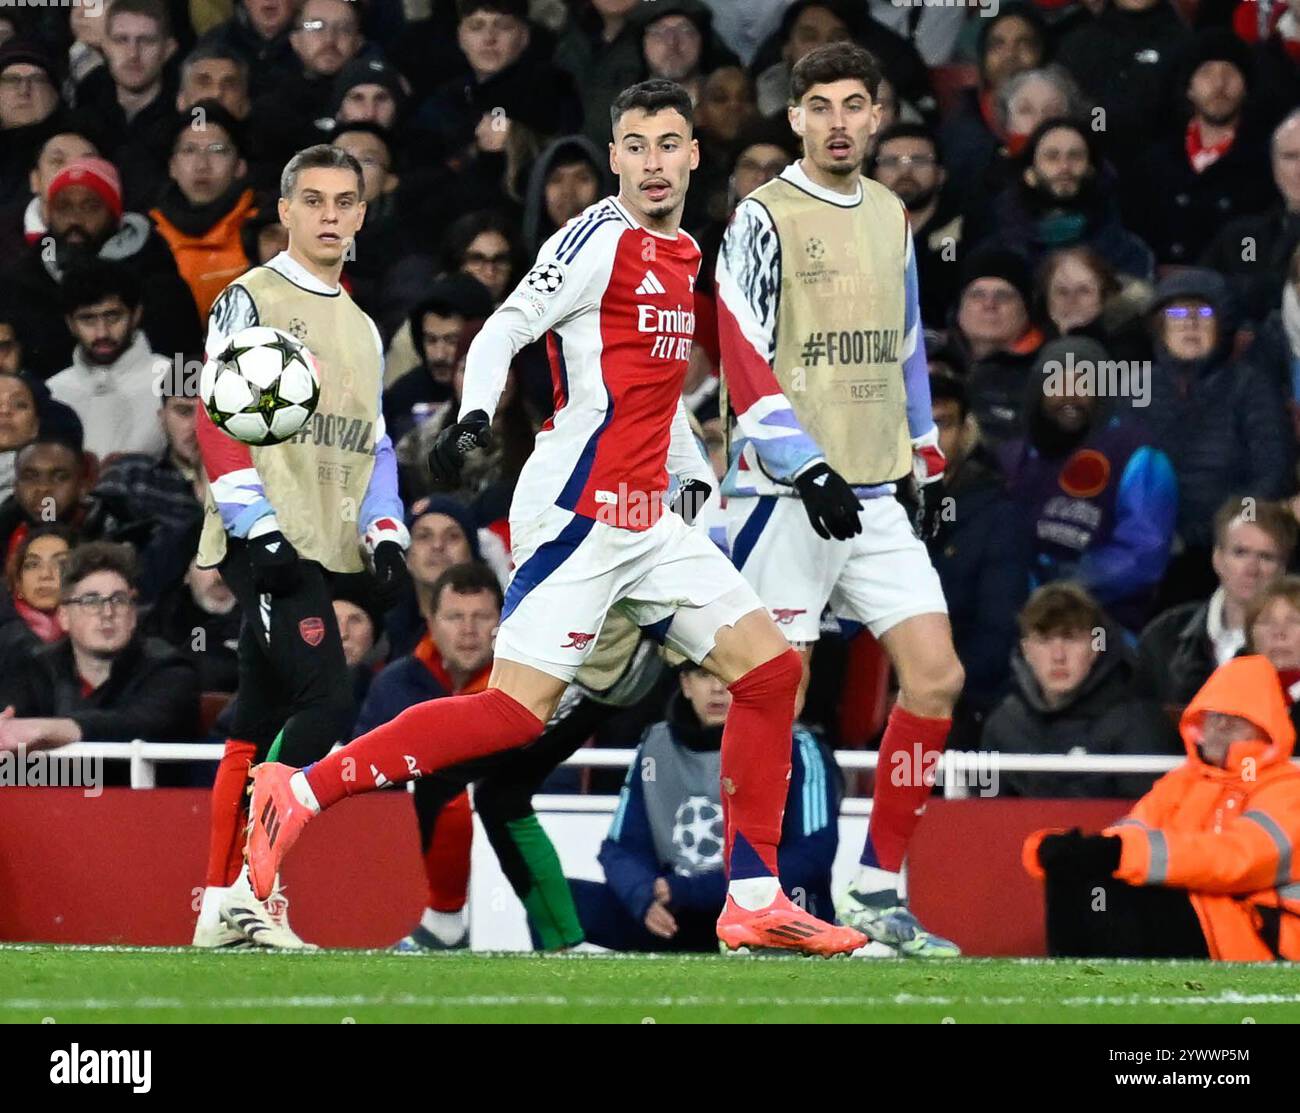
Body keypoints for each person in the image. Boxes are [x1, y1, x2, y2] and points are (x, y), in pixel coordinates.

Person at [242, 78, 867, 958]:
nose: (654, 163)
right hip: (576, 511)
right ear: (615, 158)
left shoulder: (685, 251)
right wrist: (470, 417)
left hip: (650, 521)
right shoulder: (594, 240)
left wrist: (708, 496)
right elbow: (501, 330)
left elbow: (659, 403)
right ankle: (299, 791)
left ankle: (753, 897)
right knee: (511, 716)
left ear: (694, 155)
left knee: (768, 674)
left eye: (669, 145)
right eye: (636, 146)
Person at [714, 43, 961, 957]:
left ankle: (875, 884)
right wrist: (799, 460)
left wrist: (926, 453)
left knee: (936, 676)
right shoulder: (763, 216)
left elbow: (905, 344)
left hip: (873, 486)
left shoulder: (893, 211)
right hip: (784, 492)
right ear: (795, 117)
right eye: (821, 107)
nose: (840, 123)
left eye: (856, 105)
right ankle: (754, 890)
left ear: (878, 113)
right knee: (776, 684)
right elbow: (739, 344)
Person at [190, 144, 409, 951]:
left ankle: (219, 903)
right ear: (282, 210)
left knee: (259, 714)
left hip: (326, 538)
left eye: (342, 201)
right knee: (327, 703)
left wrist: (386, 530)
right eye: (310, 200)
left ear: (360, 213)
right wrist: (260, 528)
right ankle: (253, 890)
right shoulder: (249, 298)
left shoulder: (361, 327)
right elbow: (212, 414)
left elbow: (375, 442)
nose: (327, 215)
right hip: (269, 540)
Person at [1023, 654, 1300, 960]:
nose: (1220, 726)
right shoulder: (1181, 782)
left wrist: (1120, 854)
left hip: (1260, 931)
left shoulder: (1287, 787)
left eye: (1235, 719)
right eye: (1212, 715)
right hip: (1200, 916)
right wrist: (1085, 852)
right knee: (1077, 873)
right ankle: (1069, 985)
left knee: (1127, 892)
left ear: (1266, 729)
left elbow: (1239, 858)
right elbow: (1132, 831)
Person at [569, 661, 840, 952]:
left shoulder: (797, 745)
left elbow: (813, 853)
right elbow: (620, 848)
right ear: (686, 684)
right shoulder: (655, 746)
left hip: (765, 917)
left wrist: (688, 890)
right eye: (703, 675)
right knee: (559, 902)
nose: (717, 688)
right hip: (676, 917)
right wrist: (644, 896)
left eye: (727, 675)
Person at [354, 561, 499, 951]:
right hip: (402, 852)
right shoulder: (395, 684)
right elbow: (366, 780)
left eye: (482, 616)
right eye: (454, 617)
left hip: (496, 848)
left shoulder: (525, 688)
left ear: (502, 623)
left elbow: (554, 780)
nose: (468, 630)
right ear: (431, 623)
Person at [1000, 335, 1177, 633]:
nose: (1071, 395)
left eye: (1084, 383)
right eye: (1057, 383)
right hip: (1016, 618)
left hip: (1104, 623)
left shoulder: (1138, 454)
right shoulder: (1014, 455)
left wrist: (1062, 587)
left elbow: (1144, 555)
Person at [1139, 269, 1293, 598]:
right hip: (1145, 548)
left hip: (1226, 552)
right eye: (1177, 312)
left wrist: (1204, 535)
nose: (1190, 322)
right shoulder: (1133, 388)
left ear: (1222, 326)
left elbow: (1272, 477)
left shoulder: (1250, 386)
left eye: (1204, 312)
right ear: (1159, 326)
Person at [4, 155, 203, 378]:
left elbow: (188, 373)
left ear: (115, 213)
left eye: (90, 206)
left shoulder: (160, 282)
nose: (75, 219)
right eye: (64, 206)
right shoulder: (24, 283)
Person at [983, 582, 1180, 799]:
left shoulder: (1138, 722)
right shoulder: (1004, 724)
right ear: (1026, 650)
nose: (1058, 656)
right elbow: (985, 816)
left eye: (1071, 638)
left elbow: (1149, 818)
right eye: (1044, 640)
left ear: (1095, 647)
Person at [0, 540, 200, 752]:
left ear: (133, 615)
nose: (107, 613)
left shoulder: (171, 668)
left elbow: (144, 724)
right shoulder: (35, 666)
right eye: (90, 601)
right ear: (64, 616)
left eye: (118, 600)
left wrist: (56, 729)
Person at [927, 374, 1029, 748]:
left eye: (941, 423)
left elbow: (997, 632)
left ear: (967, 430)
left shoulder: (998, 513)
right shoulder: (874, 510)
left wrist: (930, 690)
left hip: (963, 703)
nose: (928, 438)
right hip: (875, 699)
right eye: (915, 424)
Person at [1122, 29, 1275, 266]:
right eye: (1206, 73)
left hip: (1233, 291)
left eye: (1230, 73)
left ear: (1246, 88)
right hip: (1164, 290)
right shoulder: (1153, 163)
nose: (1219, 84)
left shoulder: (1264, 163)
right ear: (1189, 89)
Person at [1136, 498, 1297, 706]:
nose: (1252, 569)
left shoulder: (1290, 646)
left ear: (1283, 569)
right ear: (1217, 558)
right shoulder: (1164, 635)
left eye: (1266, 557)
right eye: (1240, 553)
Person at [982, 118, 1154, 281]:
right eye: (1052, 157)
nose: (1064, 167)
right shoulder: (997, 253)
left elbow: (1174, 312)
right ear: (1030, 174)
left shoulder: (1128, 251)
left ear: (1091, 170)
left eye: (1075, 156)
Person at [46, 259, 170, 460]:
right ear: (70, 324)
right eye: (87, 319)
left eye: (112, 316)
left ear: (136, 315)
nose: (102, 332)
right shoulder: (54, 391)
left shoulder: (173, 377)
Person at [149, 102, 258, 318]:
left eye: (217, 151)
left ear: (240, 167)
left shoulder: (264, 229)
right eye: (189, 151)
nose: (202, 165)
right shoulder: (147, 235)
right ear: (172, 166)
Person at [71, 0, 180, 210]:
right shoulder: (82, 113)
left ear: (168, 49)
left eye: (146, 41)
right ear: (105, 46)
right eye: (121, 40)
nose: (133, 54)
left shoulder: (185, 118)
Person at [1201, 109, 1300, 326]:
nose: (1299, 170)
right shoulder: (1242, 235)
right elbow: (1198, 298)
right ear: (1274, 166)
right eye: (1290, 157)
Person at [869, 123, 964, 327]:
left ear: (941, 174)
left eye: (919, 161)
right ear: (874, 174)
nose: (905, 172)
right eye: (891, 162)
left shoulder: (965, 231)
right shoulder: (856, 230)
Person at [953, 246, 1046, 448]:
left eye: (1003, 296)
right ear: (959, 308)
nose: (989, 304)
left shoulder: (1048, 373)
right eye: (977, 294)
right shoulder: (928, 361)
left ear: (1026, 309)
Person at [145, 556, 242, 692]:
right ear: (186, 574)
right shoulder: (148, 625)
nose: (221, 577)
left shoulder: (265, 629)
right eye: (209, 564)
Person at [0, 525, 70, 675]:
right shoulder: (9, 642)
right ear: (18, 583)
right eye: (32, 565)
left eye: (61, 564)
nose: (45, 574)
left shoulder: (95, 636)